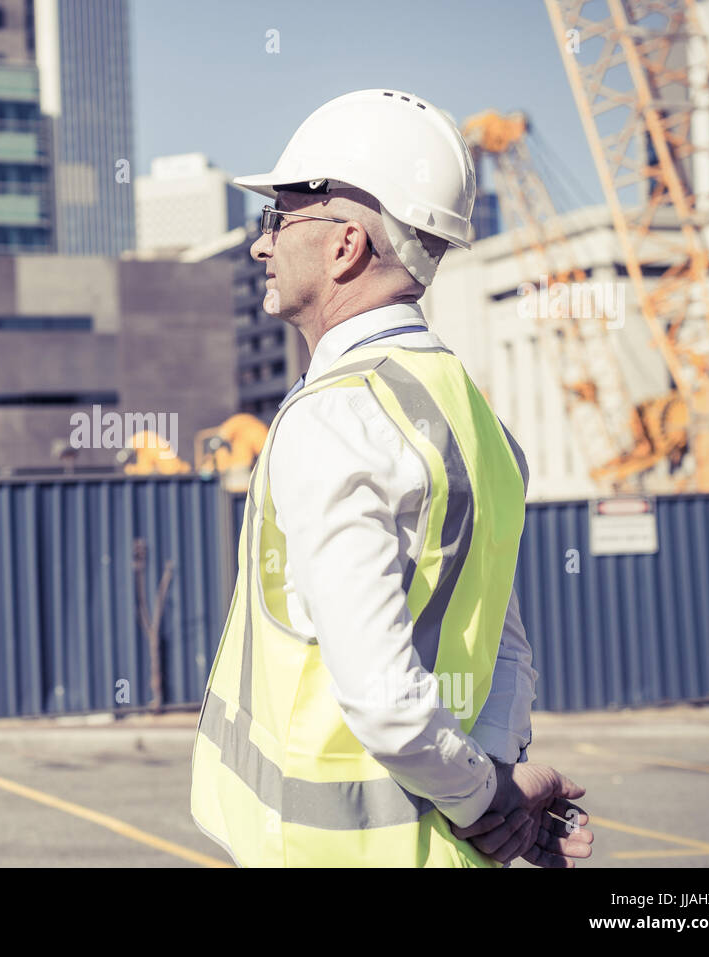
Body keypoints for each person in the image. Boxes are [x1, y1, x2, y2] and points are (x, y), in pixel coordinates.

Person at [189, 89, 595, 867]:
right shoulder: (480, 423)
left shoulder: (333, 417)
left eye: (277, 217)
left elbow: (383, 695)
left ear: (345, 245)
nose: (260, 245)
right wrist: (496, 793)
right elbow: (502, 649)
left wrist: (488, 797)